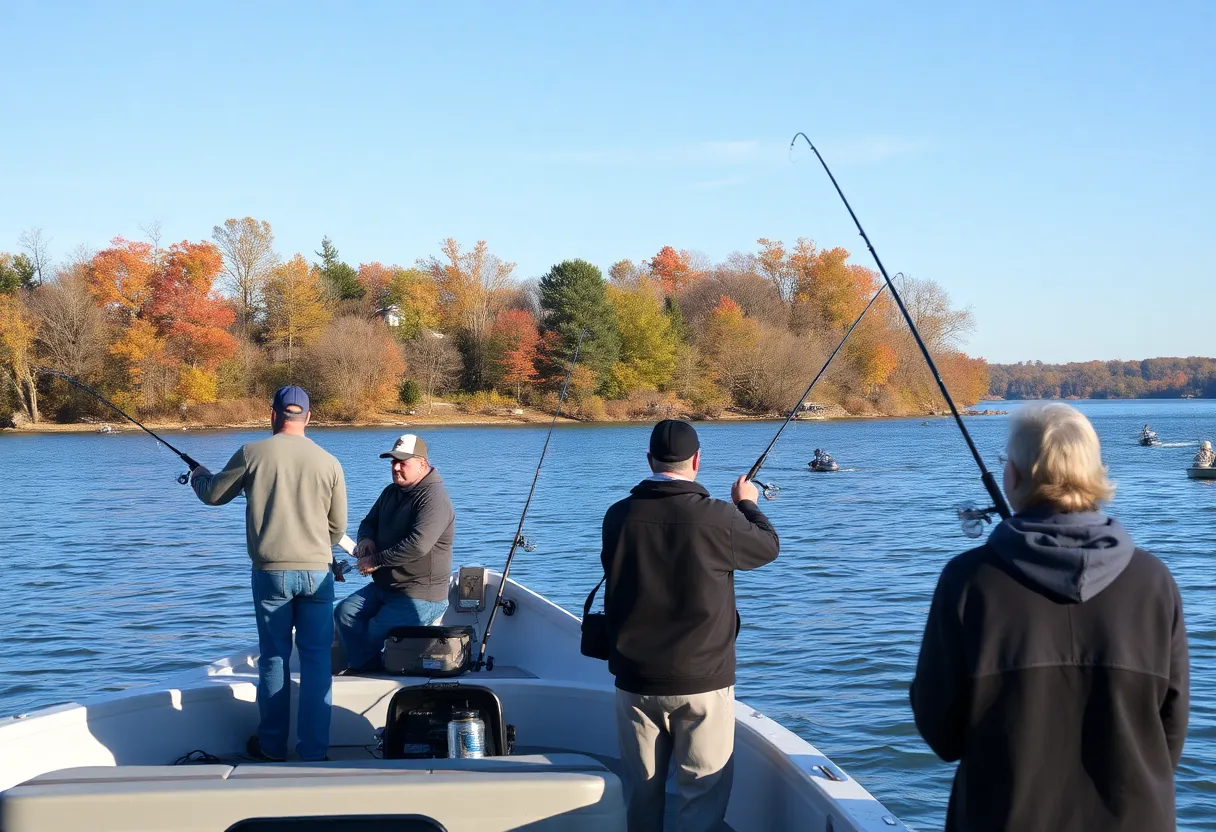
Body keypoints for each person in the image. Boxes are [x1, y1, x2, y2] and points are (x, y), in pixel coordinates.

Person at [910, 403, 1188, 831]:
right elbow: (1170, 735)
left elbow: (941, 733)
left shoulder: (969, 581)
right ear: (1096, 471)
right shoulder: (1155, 582)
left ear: (1015, 477)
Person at [602, 419, 780, 832]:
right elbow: (768, 547)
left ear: (649, 460)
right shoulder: (719, 518)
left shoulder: (618, 516)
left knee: (640, 796)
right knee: (701, 797)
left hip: (635, 678)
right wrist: (747, 503)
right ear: (697, 460)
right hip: (703, 680)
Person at [190, 385, 347, 763]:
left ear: (273, 414)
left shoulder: (251, 453)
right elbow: (338, 528)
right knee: (315, 662)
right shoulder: (329, 462)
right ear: (308, 418)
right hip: (318, 575)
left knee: (275, 657)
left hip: (270, 575)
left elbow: (213, 495)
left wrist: (198, 474)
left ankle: (273, 746)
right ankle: (313, 752)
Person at [335, 433, 454, 672]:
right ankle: (367, 668)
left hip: (422, 594)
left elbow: (417, 545)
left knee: (376, 629)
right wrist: (366, 538)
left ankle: (369, 671)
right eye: (393, 461)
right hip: (385, 588)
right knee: (344, 613)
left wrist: (374, 561)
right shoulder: (391, 492)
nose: (396, 467)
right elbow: (368, 521)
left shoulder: (434, 499)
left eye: (403, 462)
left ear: (422, 464)